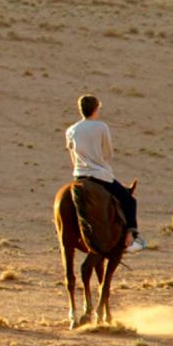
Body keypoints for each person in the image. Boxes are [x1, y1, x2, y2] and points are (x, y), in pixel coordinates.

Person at [66, 94, 146, 253]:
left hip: (79, 175)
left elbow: (73, 156)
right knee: (129, 201)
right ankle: (130, 238)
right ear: (95, 109)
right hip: (100, 175)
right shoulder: (102, 127)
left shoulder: (71, 130)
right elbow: (106, 154)